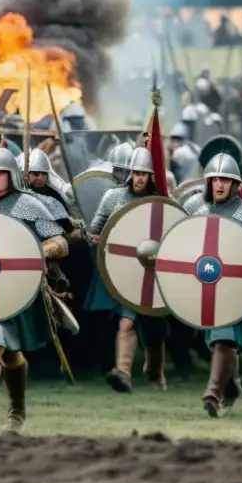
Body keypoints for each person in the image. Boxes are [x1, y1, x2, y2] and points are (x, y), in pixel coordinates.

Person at [0, 147, 68, 433]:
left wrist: (35, 252)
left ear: (11, 176)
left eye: (0, 174)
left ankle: (16, 411)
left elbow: (60, 242)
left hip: (18, 290)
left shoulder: (28, 205)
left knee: (10, 353)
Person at [191, 153, 242, 419]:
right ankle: (232, 385)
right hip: (208, 288)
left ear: (235, 184)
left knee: (224, 339)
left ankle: (213, 394)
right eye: (215, 179)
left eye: (226, 180)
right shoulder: (199, 213)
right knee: (219, 341)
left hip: (239, 288)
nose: (219, 185)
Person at [86, 147, 169, 392]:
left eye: (144, 173)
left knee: (154, 332)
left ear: (150, 176)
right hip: (125, 272)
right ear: (130, 173)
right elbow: (95, 229)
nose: (140, 178)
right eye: (136, 173)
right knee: (126, 322)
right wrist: (100, 239)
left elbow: (173, 235)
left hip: (153, 274)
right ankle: (123, 374)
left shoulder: (160, 203)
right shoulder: (113, 197)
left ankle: (155, 375)